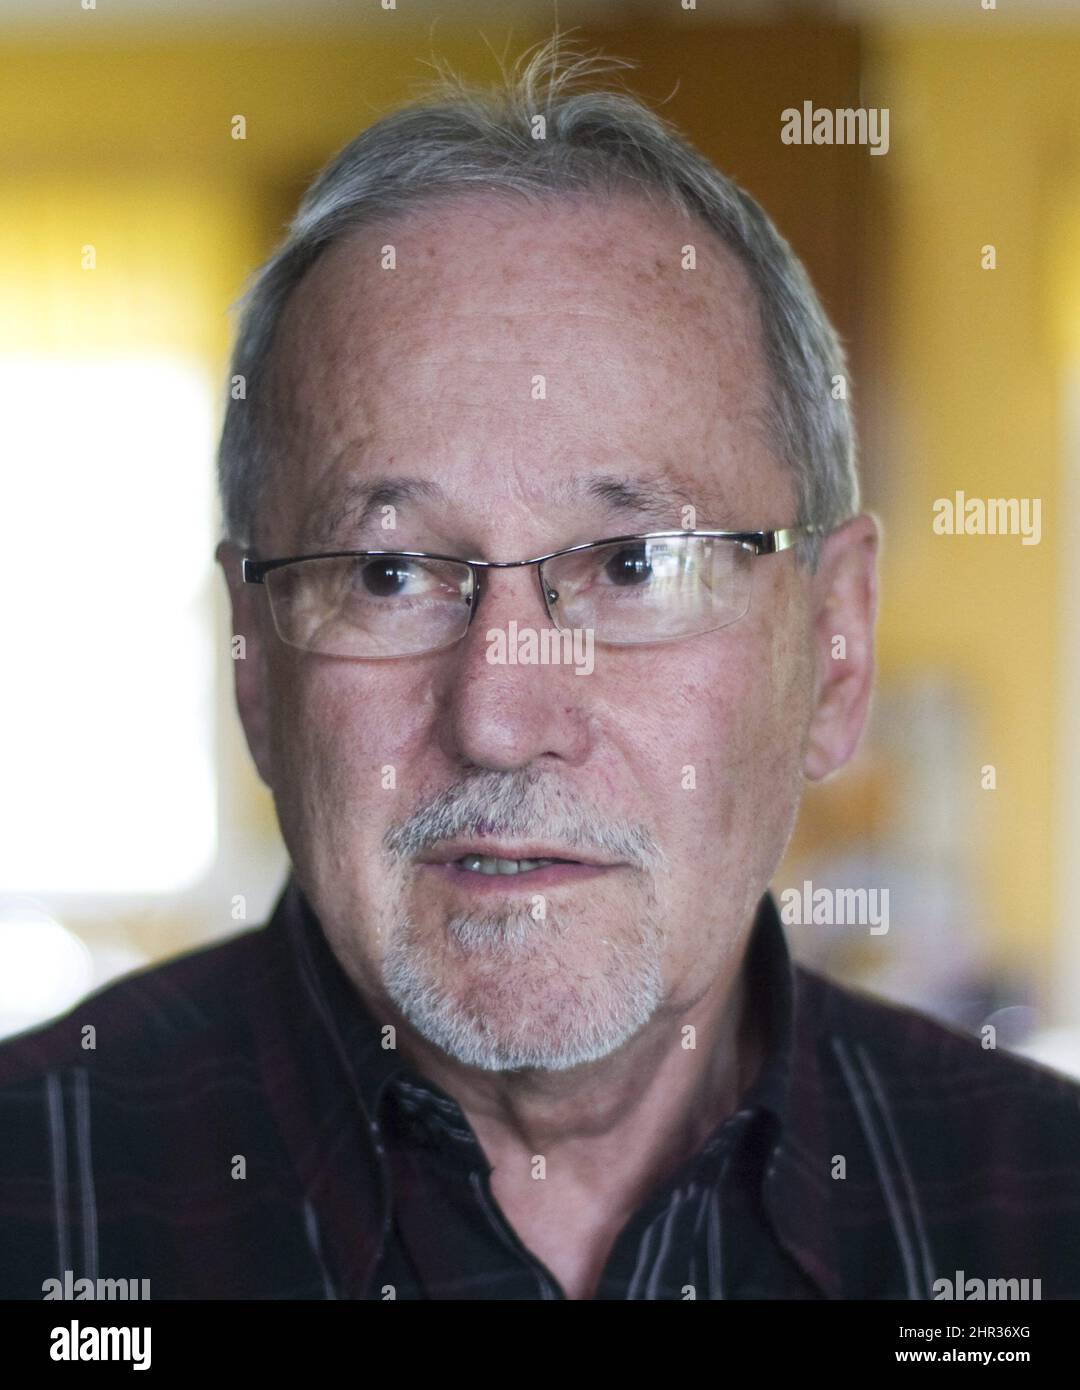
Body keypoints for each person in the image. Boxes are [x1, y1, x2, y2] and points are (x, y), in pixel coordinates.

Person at [2, 37, 1078, 1302]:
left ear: (836, 645)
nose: (501, 716)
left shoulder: (1042, 1212)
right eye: (390, 574)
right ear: (253, 660)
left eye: (632, 564)